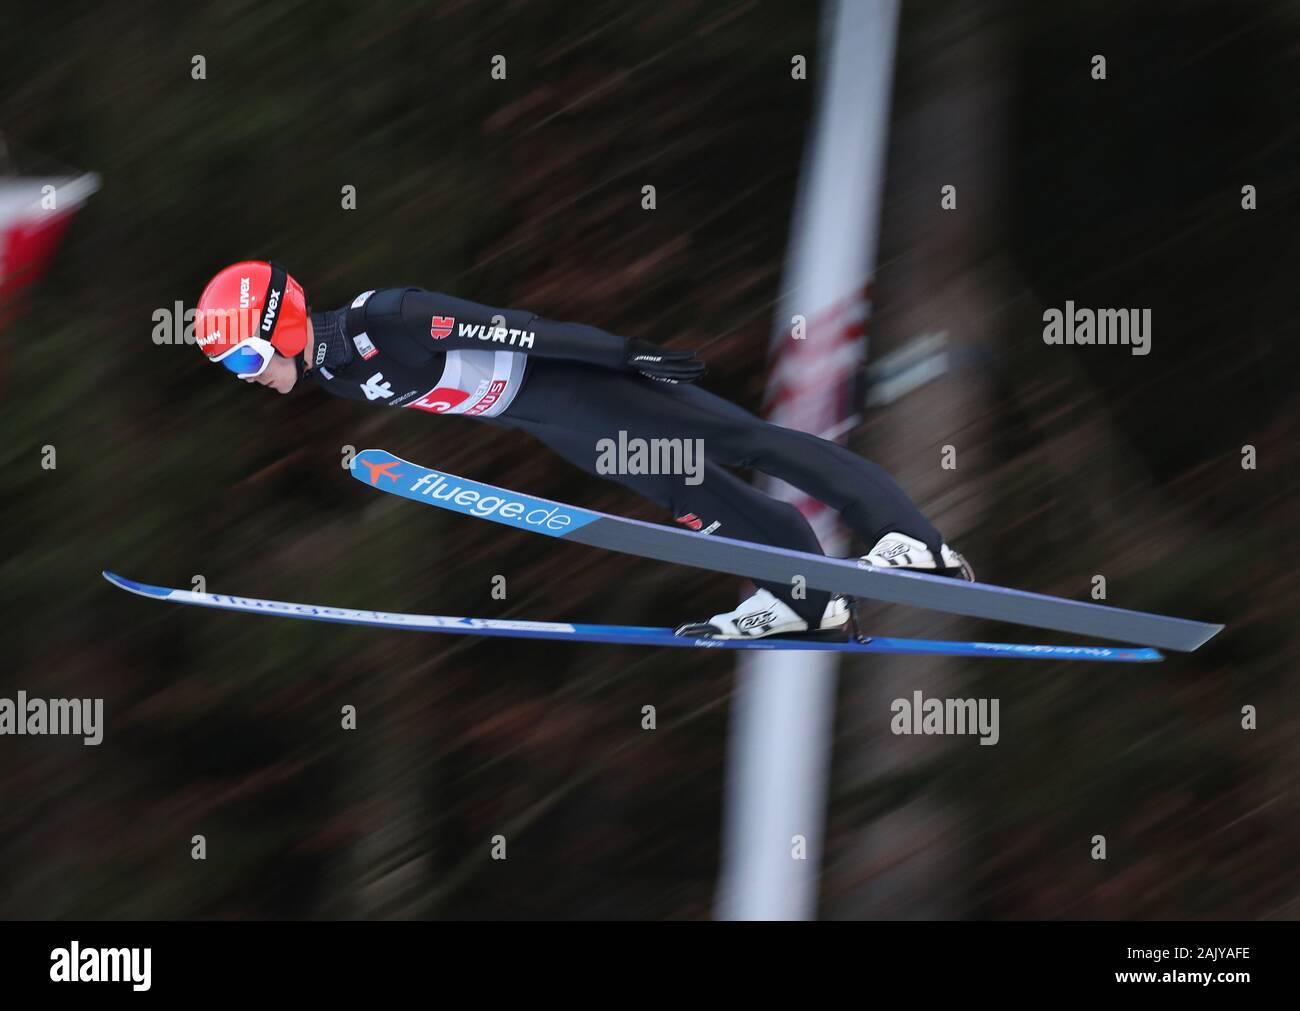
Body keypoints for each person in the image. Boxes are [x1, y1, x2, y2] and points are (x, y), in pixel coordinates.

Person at [194, 260, 973, 639]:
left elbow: (514, 329)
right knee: (692, 496)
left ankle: (917, 543)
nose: (247, 378)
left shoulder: (388, 320)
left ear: (280, 325)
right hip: (555, 420)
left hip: (584, 383)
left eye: (241, 358)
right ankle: (810, 600)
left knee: (744, 441)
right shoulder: (333, 378)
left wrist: (624, 354)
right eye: (231, 369)